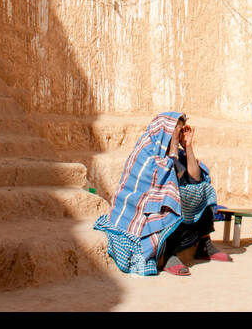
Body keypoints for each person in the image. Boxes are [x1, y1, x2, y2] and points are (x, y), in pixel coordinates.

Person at [93, 111, 230, 276]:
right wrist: (172, 148)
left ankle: (204, 243)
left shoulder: (177, 154)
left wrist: (188, 146)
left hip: (167, 201)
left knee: (203, 188)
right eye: (176, 131)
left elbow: (195, 177)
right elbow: (159, 182)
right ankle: (168, 254)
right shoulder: (147, 150)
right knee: (173, 198)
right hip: (139, 205)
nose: (178, 135)